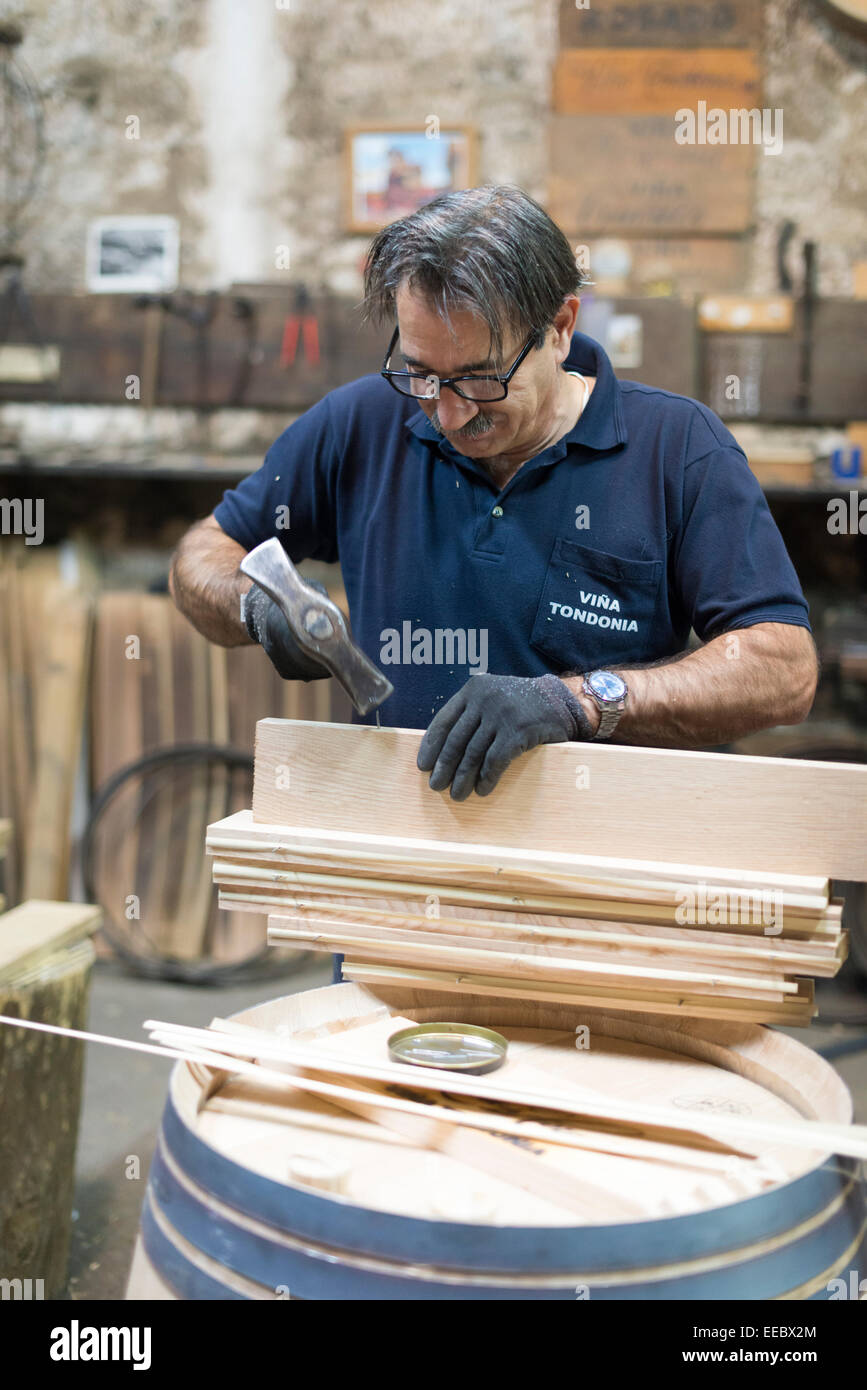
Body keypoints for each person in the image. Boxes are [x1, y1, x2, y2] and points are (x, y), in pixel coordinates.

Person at [169, 185, 817, 802]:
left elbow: (781, 668)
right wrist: (254, 608)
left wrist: (579, 702)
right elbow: (203, 554)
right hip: (406, 833)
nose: (447, 415)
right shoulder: (357, 425)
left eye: (481, 379)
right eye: (421, 374)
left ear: (559, 326)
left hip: (607, 852)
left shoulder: (677, 448)